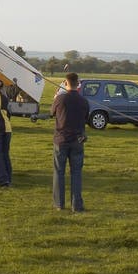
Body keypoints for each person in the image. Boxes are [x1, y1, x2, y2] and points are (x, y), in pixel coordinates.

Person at [51, 72, 88, 212]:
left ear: (66, 83)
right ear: (78, 84)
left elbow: (51, 113)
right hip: (77, 140)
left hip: (61, 140)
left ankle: (59, 204)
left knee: (59, 172)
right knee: (76, 173)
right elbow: (86, 117)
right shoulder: (84, 101)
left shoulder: (60, 99)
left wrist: (55, 98)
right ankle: (77, 205)